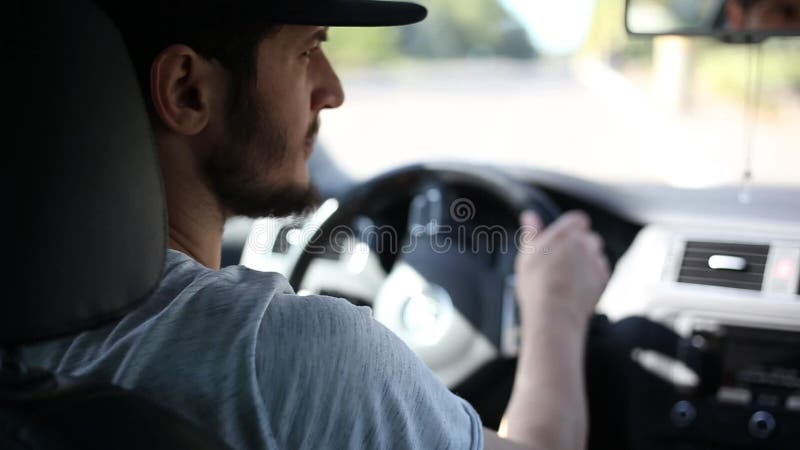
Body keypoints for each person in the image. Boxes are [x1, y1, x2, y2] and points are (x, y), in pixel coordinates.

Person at [22, 1, 609, 449]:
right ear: (187, 90)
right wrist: (555, 313)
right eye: (306, 51)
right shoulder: (285, 356)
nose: (333, 90)